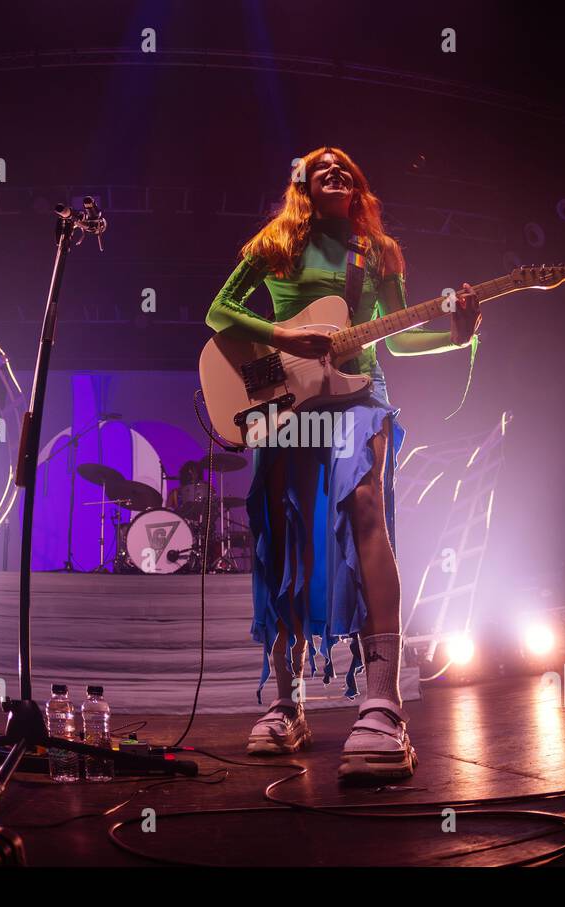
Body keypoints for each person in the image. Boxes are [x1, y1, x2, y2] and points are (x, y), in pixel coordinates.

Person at [205, 147, 481, 779]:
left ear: (357, 185)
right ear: (301, 181)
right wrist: (282, 338)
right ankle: (286, 702)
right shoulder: (272, 243)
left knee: (366, 508)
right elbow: (219, 312)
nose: (334, 168)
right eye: (321, 163)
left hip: (359, 393)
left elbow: (400, 336)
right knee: (283, 539)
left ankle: (381, 700)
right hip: (285, 399)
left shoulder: (376, 252)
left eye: (345, 166)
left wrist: (454, 331)